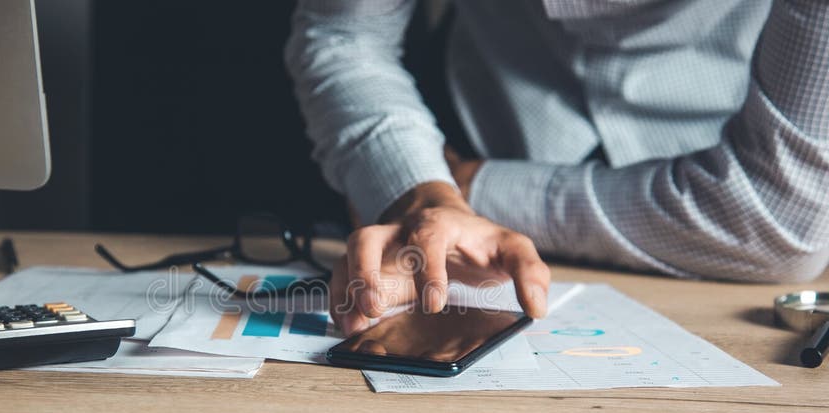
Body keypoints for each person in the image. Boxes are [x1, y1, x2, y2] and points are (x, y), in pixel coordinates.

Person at [285, 0, 829, 334]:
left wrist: (473, 187)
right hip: (463, 146)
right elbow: (345, 36)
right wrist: (425, 199)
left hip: (730, 206)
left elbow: (781, 216)